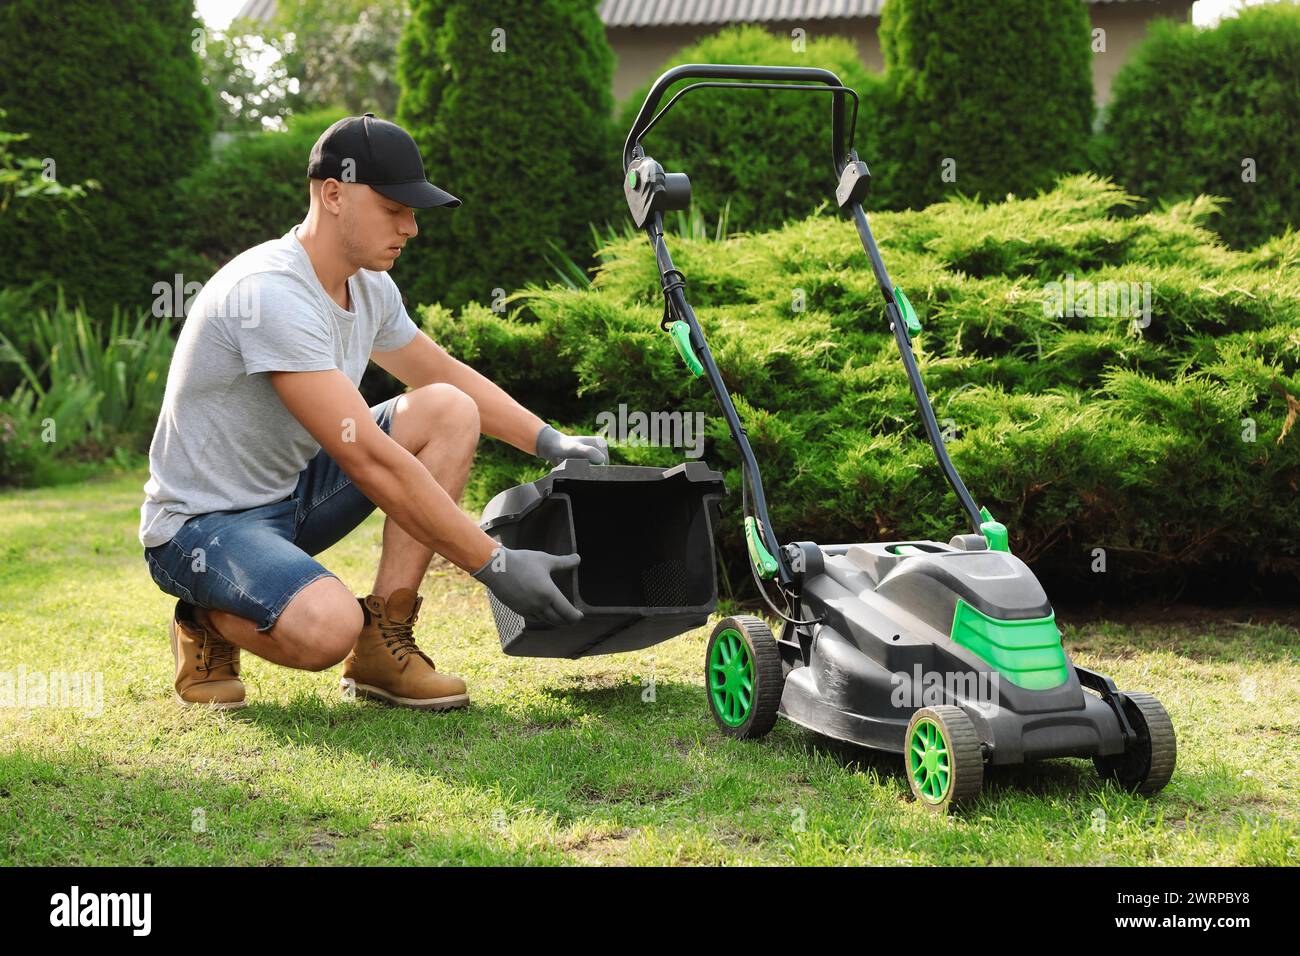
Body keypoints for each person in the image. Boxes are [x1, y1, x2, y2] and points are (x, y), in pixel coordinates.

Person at [139, 113, 607, 713]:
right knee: (326, 628)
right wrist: (494, 564)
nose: (411, 227)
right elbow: (365, 456)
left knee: (448, 410)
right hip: (200, 526)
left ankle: (384, 647)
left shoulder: (366, 284)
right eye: (394, 208)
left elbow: (441, 375)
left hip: (289, 496)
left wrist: (548, 440)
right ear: (333, 194)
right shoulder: (269, 293)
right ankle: (202, 618)